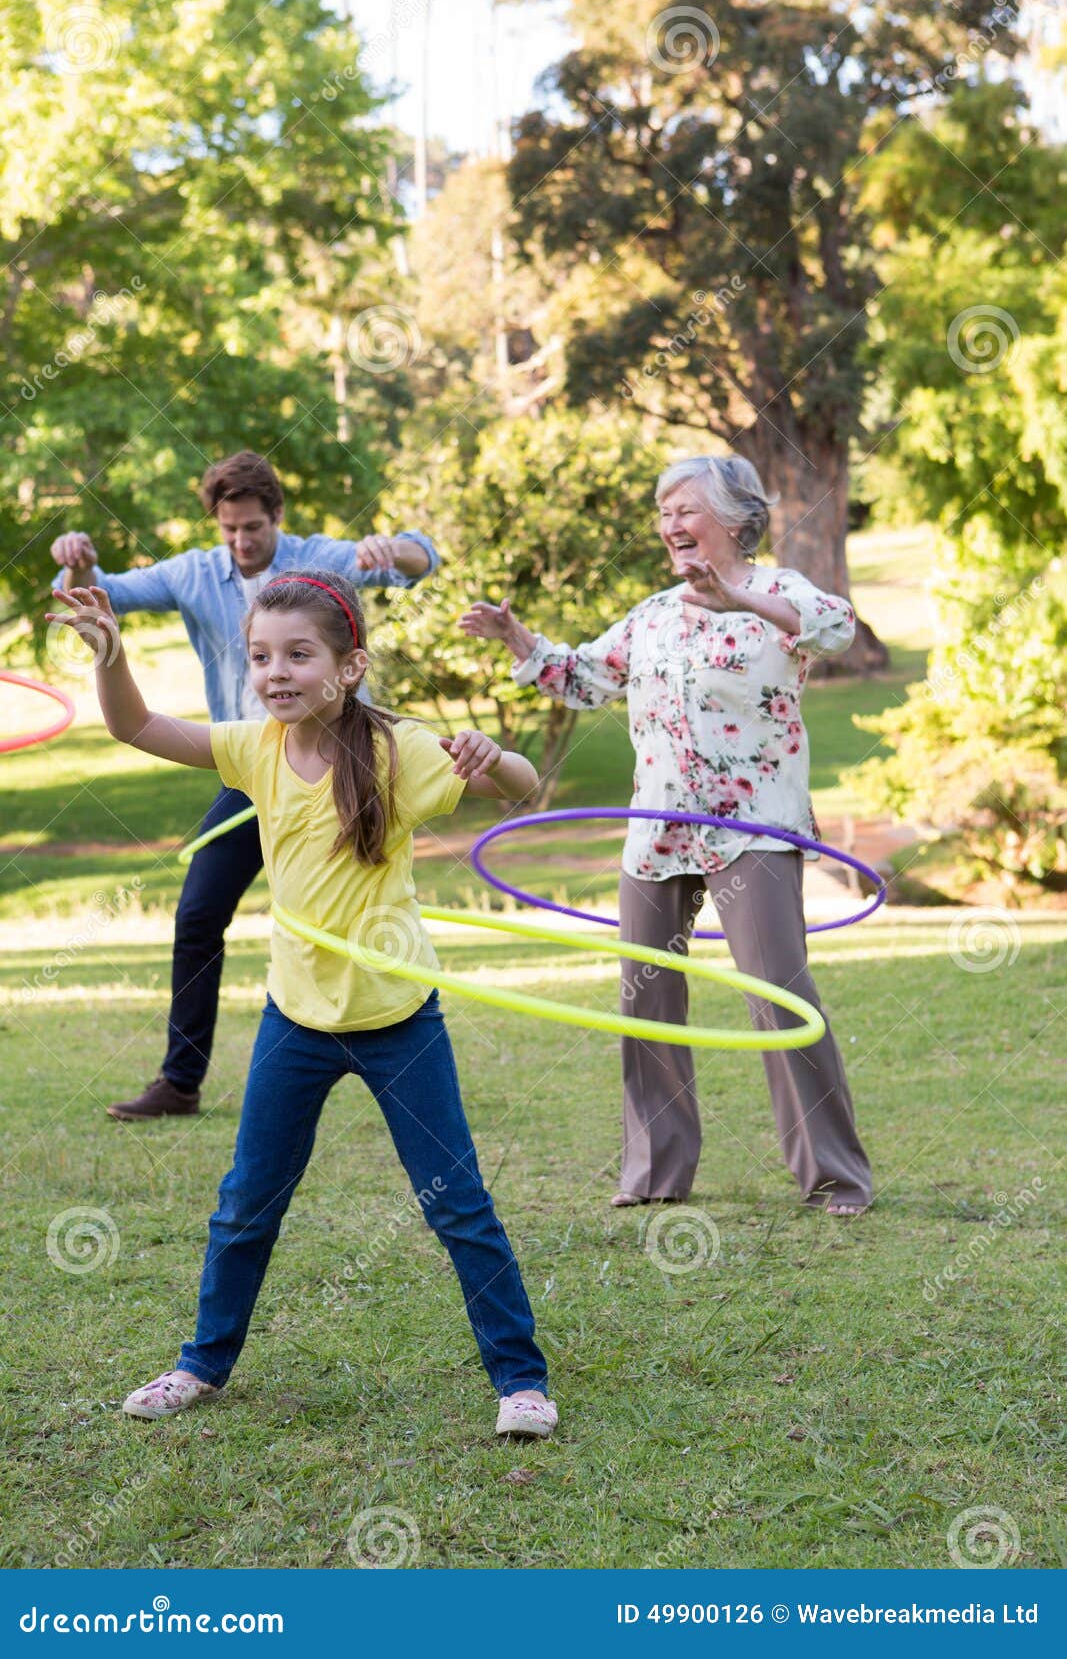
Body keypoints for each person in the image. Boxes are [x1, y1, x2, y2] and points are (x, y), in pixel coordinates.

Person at [46, 569, 557, 1440]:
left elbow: (521, 792)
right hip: (297, 1018)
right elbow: (134, 726)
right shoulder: (253, 748)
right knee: (248, 1200)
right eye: (259, 657)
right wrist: (112, 654)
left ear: (349, 666)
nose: (275, 672)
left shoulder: (401, 749)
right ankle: (200, 1364)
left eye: (297, 655)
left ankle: (521, 1381)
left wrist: (490, 754)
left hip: (397, 1016)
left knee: (455, 1199)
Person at [461, 454, 872, 1216]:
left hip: (752, 829)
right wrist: (516, 637)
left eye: (684, 509)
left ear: (734, 519)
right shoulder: (651, 613)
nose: (669, 524)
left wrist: (740, 600)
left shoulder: (780, 592)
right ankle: (654, 1174)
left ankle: (834, 1175)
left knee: (777, 995)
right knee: (643, 1000)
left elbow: (837, 628)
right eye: (662, 512)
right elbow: (582, 678)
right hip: (656, 831)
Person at [50, 450, 440, 1122]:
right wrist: (79, 563)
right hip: (252, 764)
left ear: (276, 517)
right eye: (229, 529)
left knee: (358, 910)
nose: (240, 541)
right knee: (198, 913)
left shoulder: (319, 561)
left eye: (253, 527)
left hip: (342, 767)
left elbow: (420, 562)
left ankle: (393, 1044)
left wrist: (395, 548)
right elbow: (109, 590)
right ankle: (180, 1082)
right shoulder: (193, 572)